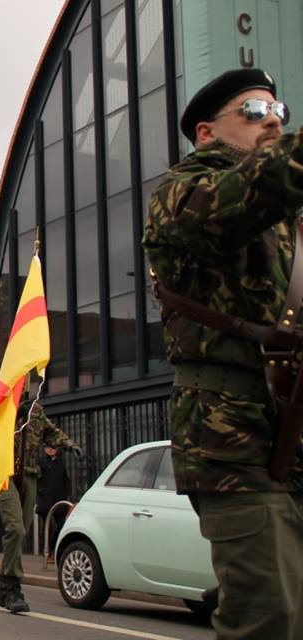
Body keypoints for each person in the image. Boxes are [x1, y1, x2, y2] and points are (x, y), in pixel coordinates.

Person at [143, 68, 303, 639]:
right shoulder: (182, 195)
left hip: (292, 427)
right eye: (255, 111)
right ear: (208, 134)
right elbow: (237, 204)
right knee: (270, 617)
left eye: (278, 110)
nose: (274, 121)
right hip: (231, 436)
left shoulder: (289, 219)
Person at [0, 395, 80, 613]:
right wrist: (14, 414)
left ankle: (4, 589)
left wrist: (69, 444)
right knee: (14, 528)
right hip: (4, 473)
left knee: (20, 532)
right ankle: (13, 588)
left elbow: (51, 432)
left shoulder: (35, 410)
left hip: (30, 475)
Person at [35, 444, 70, 561]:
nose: (51, 449)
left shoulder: (61, 462)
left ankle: (55, 549)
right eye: (48, 447)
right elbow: (37, 479)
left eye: (53, 447)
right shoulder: (40, 462)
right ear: (44, 449)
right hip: (46, 500)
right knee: (48, 526)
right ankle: (47, 552)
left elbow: (66, 479)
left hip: (59, 499)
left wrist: (66, 494)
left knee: (61, 525)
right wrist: (41, 491)